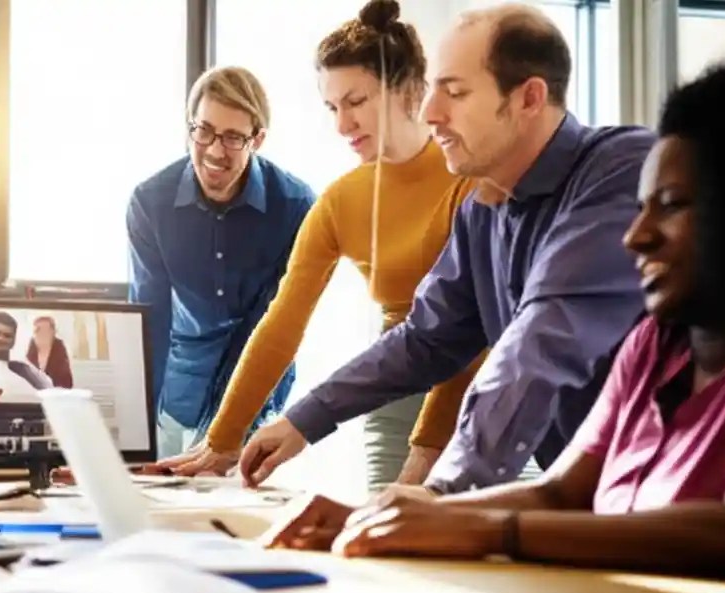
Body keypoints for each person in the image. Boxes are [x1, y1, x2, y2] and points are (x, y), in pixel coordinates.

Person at [263, 42, 725, 584]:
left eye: (673, 205)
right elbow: (560, 492)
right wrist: (385, 514)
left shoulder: (612, 169)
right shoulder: (650, 344)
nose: (636, 237)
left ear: (526, 99)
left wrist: (461, 508)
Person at [239, 3, 654, 494]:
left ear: (529, 98)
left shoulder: (622, 172)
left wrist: (436, 492)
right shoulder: (482, 210)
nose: (429, 112)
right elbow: (424, 339)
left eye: (454, 92)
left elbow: (539, 347)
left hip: (669, 499)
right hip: (591, 497)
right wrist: (302, 420)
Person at [163, 0, 485, 488]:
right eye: (332, 108)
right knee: (377, 528)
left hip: (487, 390)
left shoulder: (472, 175)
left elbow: (474, 327)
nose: (341, 124)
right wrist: (223, 439)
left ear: (406, 89)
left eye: (355, 102)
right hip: (399, 392)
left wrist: (425, 456)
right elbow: (282, 323)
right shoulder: (341, 201)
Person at [127, 66, 317, 459]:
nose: (215, 150)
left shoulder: (296, 207)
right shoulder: (150, 203)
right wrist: (135, 432)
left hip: (255, 385)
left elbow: (271, 323)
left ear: (257, 139)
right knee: (157, 486)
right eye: (205, 131)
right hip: (179, 385)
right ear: (189, 128)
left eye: (233, 137)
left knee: (236, 492)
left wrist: (225, 432)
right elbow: (150, 319)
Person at [26, 315, 74, 388]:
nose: (40, 334)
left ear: (53, 332)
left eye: (44, 330)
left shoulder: (59, 348)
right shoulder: (31, 348)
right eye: (37, 330)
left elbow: (67, 383)